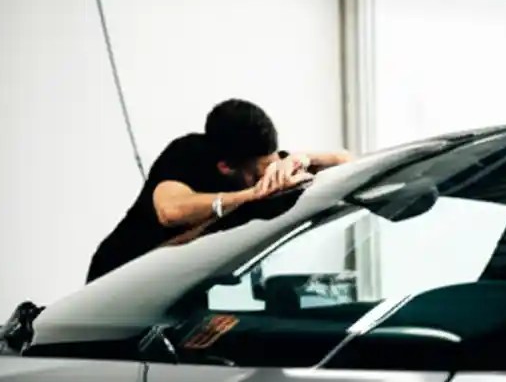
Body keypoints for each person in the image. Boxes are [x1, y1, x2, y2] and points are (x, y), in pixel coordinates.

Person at [86, 99, 352, 282]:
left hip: (176, 282)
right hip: (116, 276)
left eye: (270, 164)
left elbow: (349, 162)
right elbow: (170, 211)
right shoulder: (187, 153)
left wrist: (303, 158)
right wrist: (250, 196)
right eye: (258, 171)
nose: (265, 175)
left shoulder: (266, 163)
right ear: (226, 167)